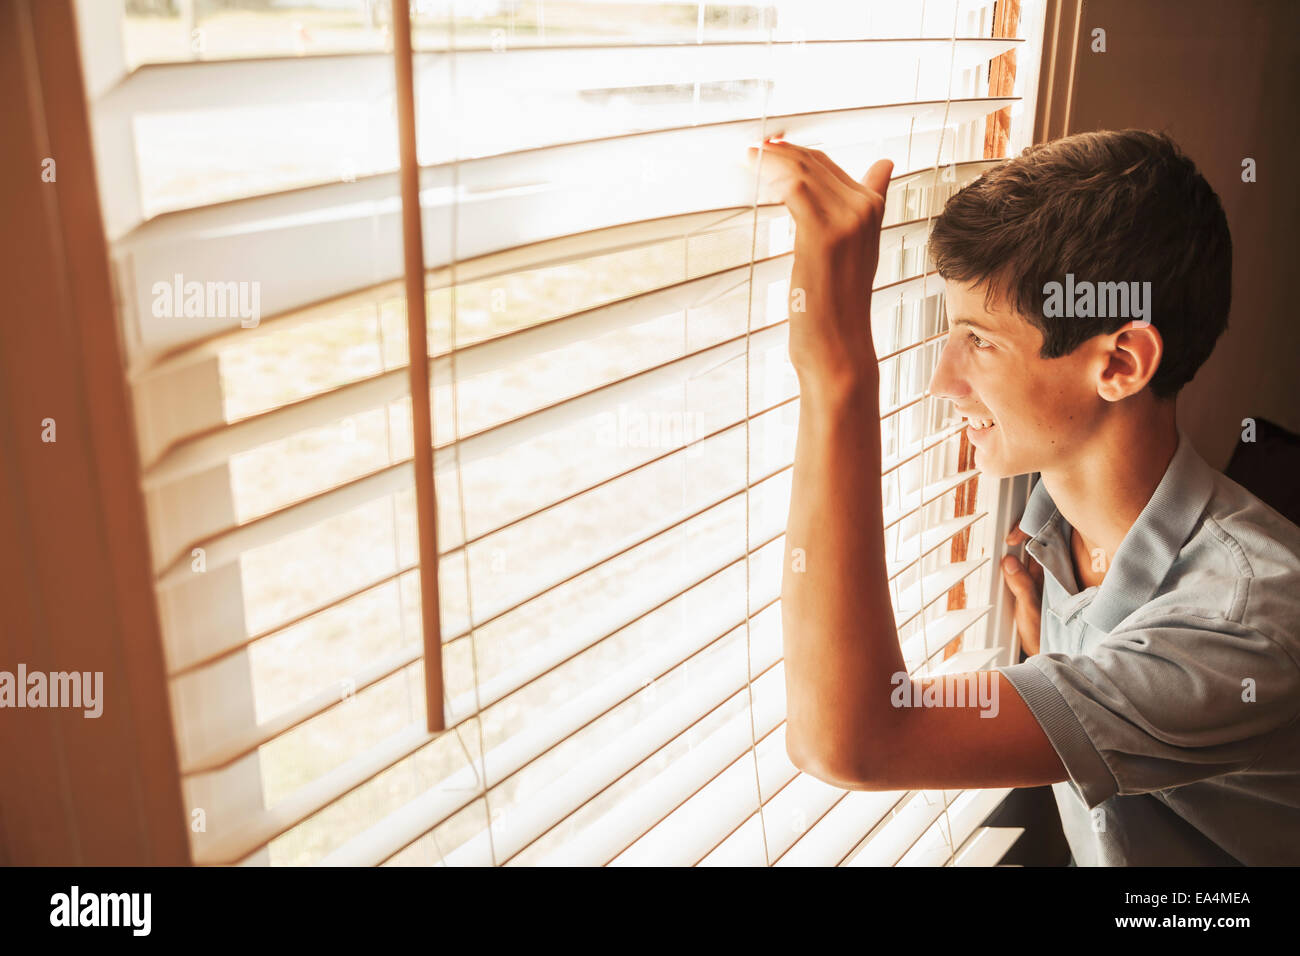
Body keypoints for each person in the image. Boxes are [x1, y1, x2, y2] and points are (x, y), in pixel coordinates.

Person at [752, 128, 1300, 865]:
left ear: (1120, 363)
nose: (943, 381)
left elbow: (853, 742)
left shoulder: (1242, 626)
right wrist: (1057, 667)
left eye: (980, 341)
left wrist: (834, 368)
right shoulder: (1052, 539)